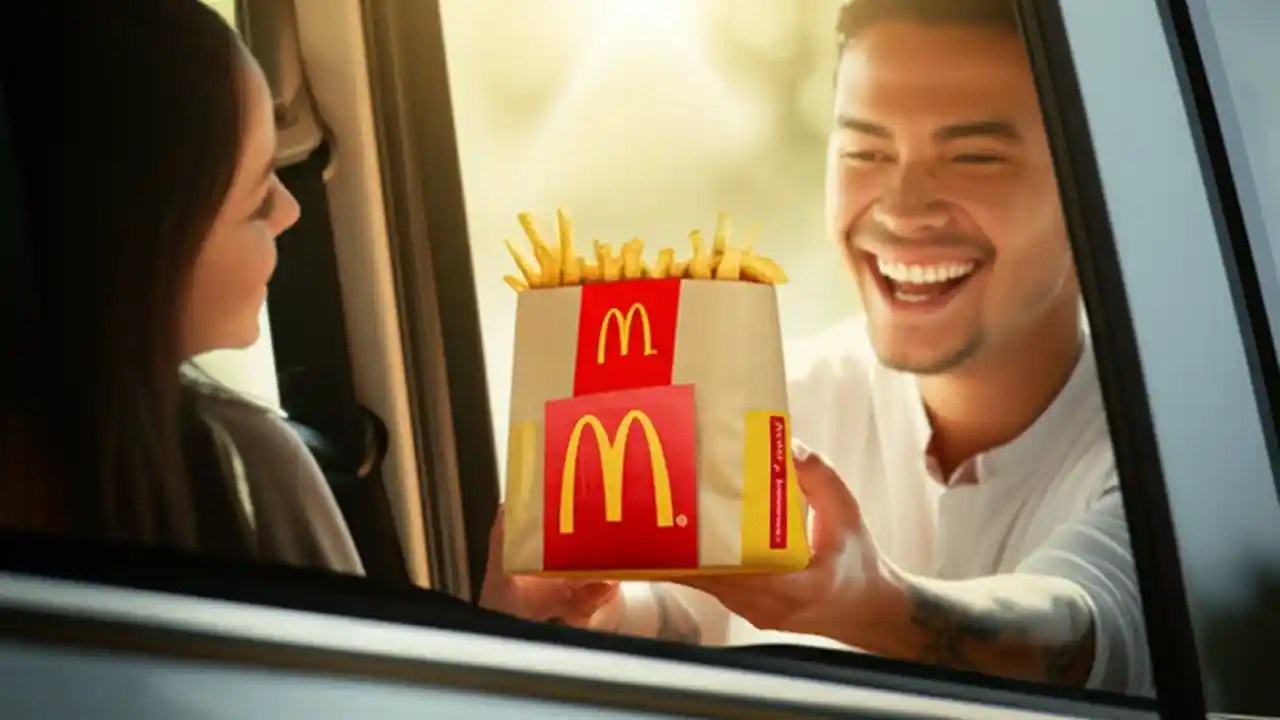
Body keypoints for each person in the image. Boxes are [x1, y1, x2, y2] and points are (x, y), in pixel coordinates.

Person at [580, 0, 1152, 696]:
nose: (902, 209)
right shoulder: (775, 402)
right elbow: (680, 614)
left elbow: (1077, 627)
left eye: (974, 157)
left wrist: (873, 603)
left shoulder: (1169, 463)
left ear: (1096, 194)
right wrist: (584, 614)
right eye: (865, 152)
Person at [0, 0, 615, 626]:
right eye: (256, 195)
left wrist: (504, 624)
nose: (289, 212)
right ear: (139, 250)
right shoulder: (248, 471)